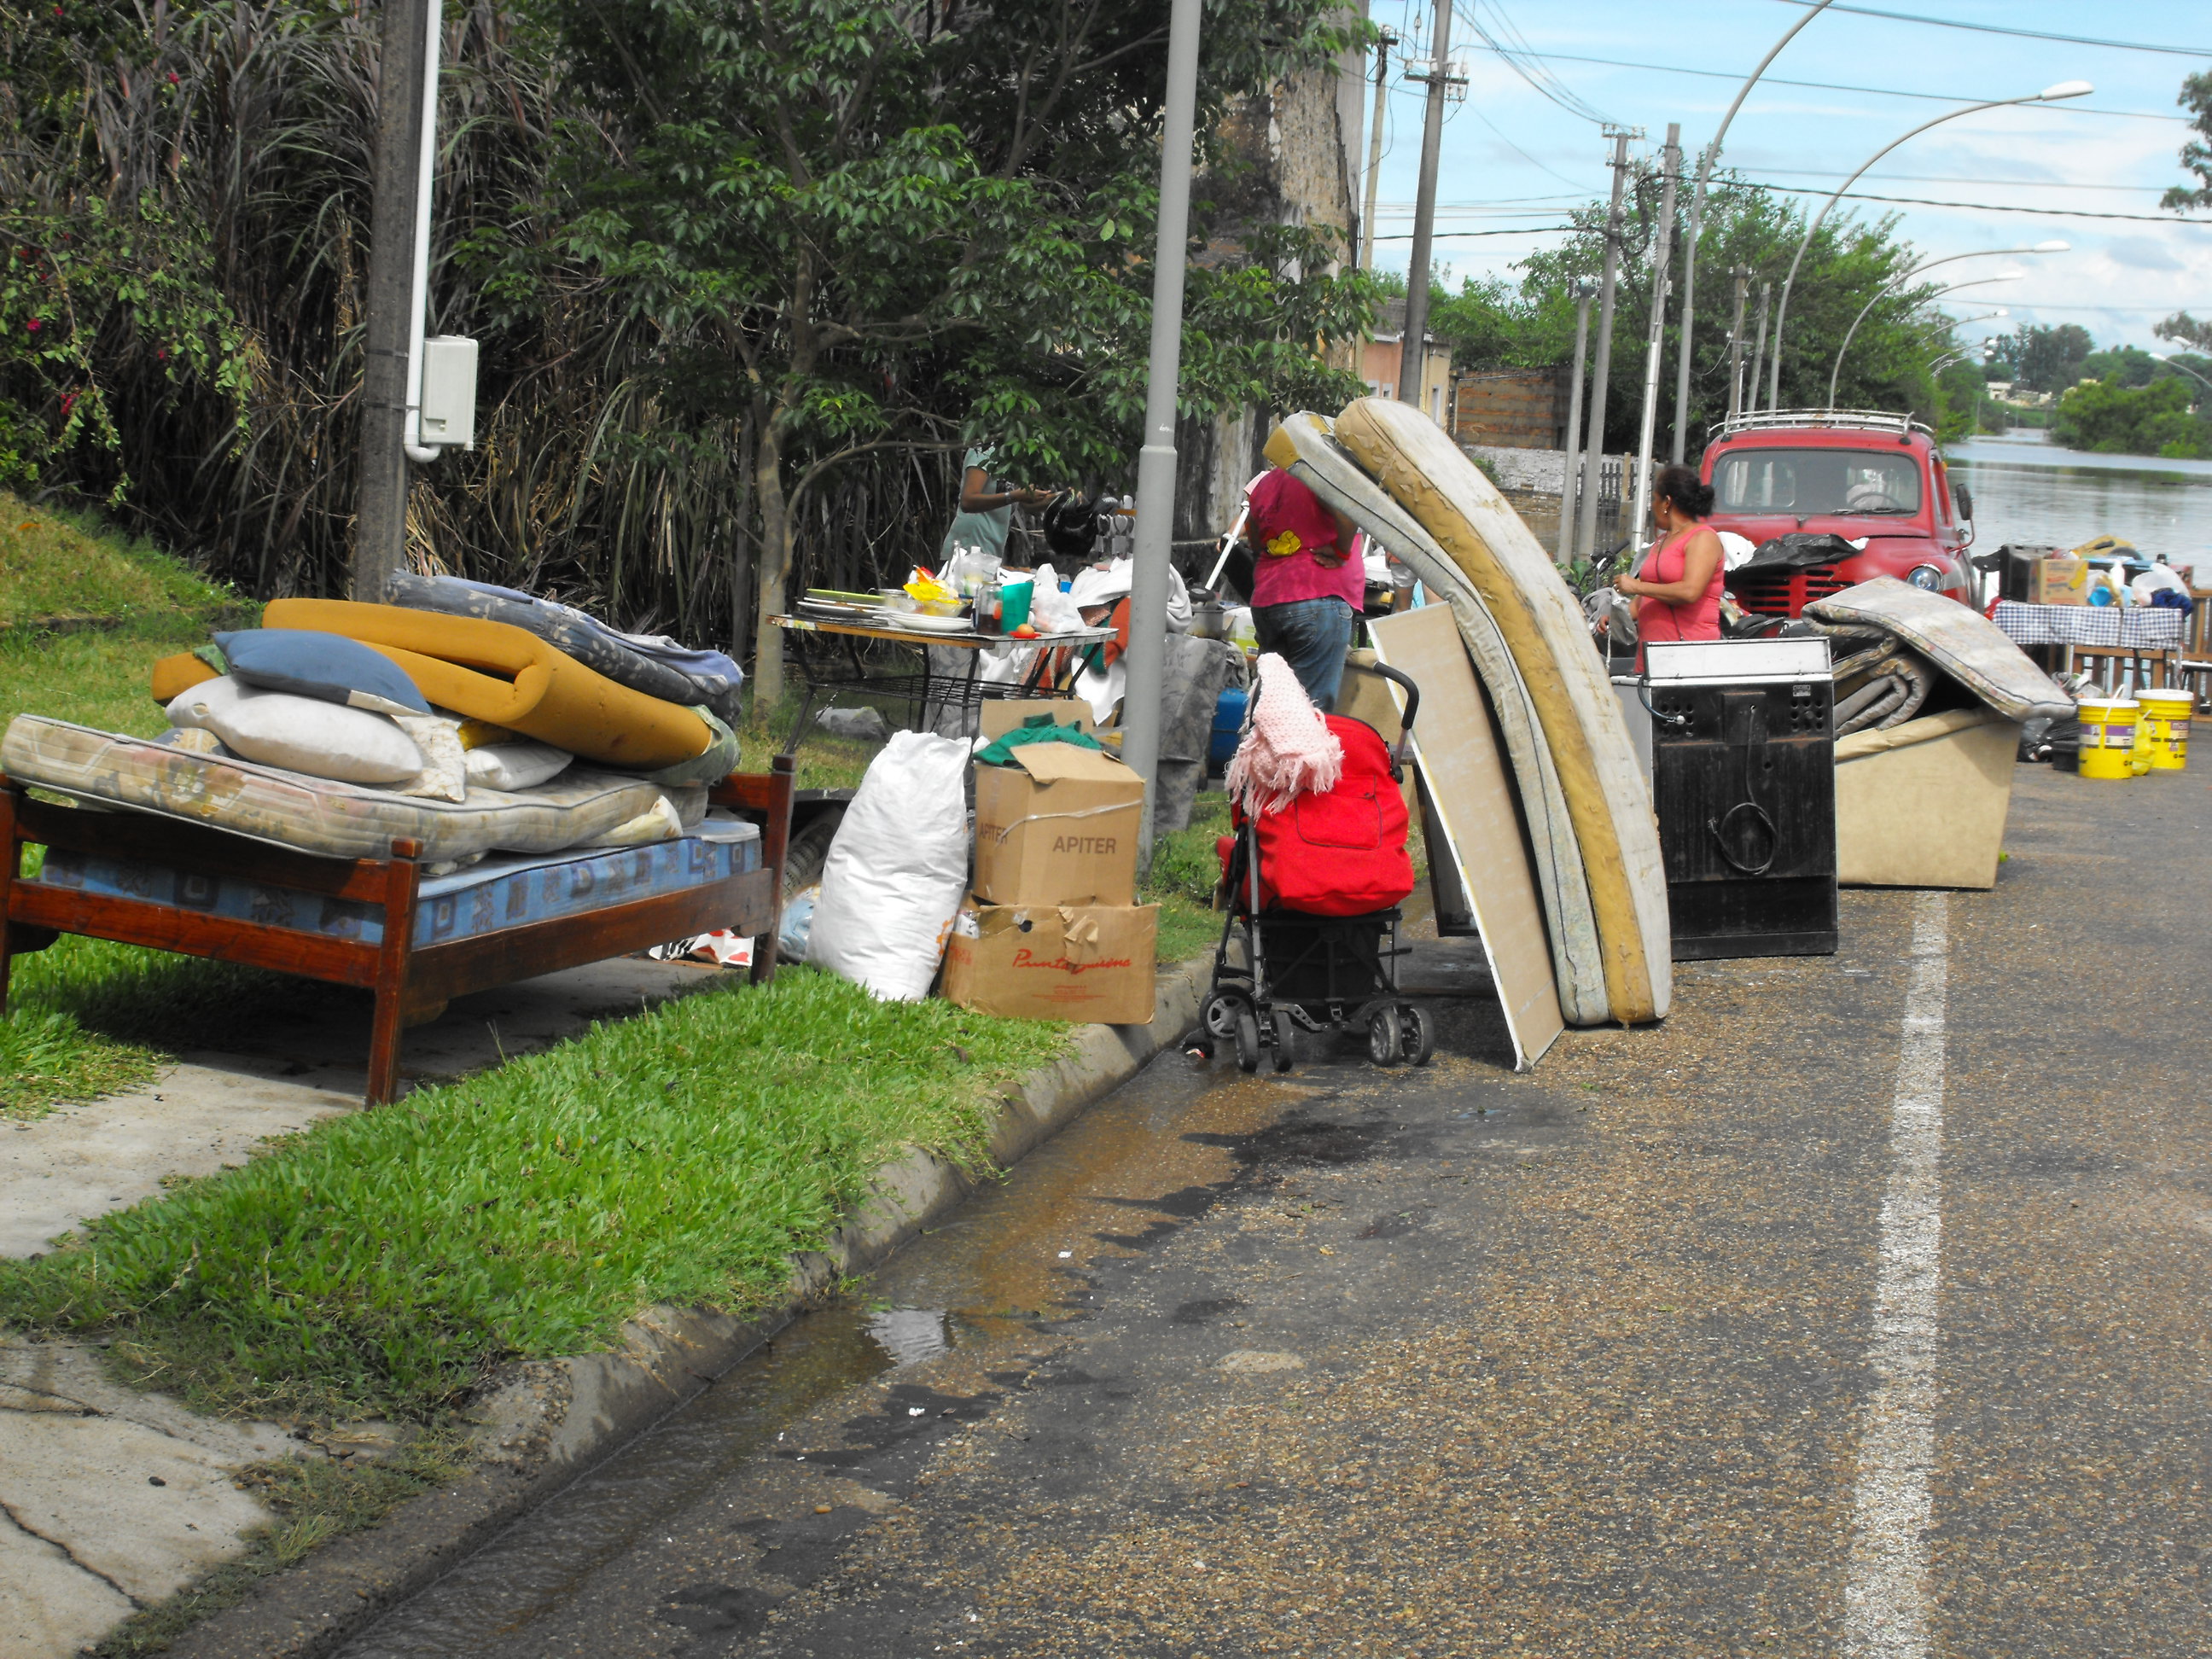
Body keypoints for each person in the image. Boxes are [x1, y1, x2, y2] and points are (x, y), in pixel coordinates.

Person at [1238, 465, 1364, 710]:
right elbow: (1347, 515)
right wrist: (1341, 550)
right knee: (1309, 710)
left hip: (1270, 600)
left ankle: (1259, 748)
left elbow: (1254, 540)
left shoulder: (1266, 482)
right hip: (1318, 595)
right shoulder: (1317, 471)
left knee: (1270, 705)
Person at [1616, 463, 1725, 657]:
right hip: (1650, 653)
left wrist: (1636, 586)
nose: (1652, 507)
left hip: (1689, 654)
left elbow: (1690, 591)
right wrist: (1618, 617)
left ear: (1667, 502)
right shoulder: (1662, 541)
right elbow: (1650, 595)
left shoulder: (1703, 538)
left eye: (1655, 500)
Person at [940, 445, 1055, 564]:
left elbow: (1026, 504)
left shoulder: (1012, 454)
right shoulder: (985, 449)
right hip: (970, 546)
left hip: (991, 548)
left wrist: (1062, 498)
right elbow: (967, 501)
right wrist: (1014, 496)